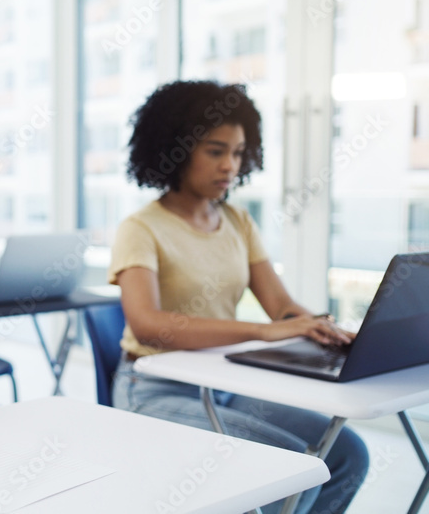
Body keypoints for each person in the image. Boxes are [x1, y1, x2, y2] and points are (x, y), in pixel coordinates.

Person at [109, 80, 368, 513]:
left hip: (221, 384)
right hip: (154, 389)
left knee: (346, 455)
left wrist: (329, 331)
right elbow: (149, 325)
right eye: (215, 151)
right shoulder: (141, 228)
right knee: (296, 469)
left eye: (237, 153)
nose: (229, 165)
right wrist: (265, 332)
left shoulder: (238, 221)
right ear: (176, 149)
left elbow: (282, 308)